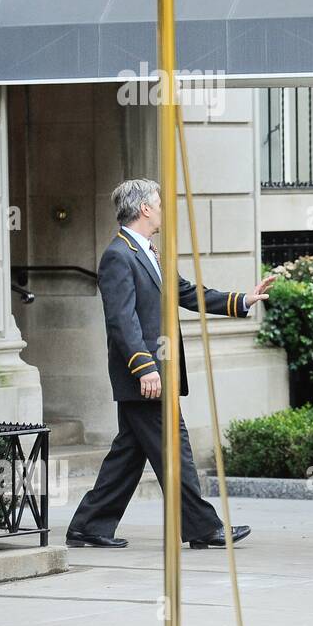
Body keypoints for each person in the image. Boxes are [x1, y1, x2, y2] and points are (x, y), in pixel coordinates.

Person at [66, 179, 274, 550]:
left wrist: (243, 300)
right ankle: (202, 528)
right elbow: (121, 320)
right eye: (159, 203)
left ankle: (88, 526)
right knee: (175, 449)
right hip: (146, 377)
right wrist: (144, 367)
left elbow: (189, 294)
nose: (163, 209)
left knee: (128, 456)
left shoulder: (148, 253)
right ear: (144, 209)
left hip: (154, 376)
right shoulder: (119, 255)